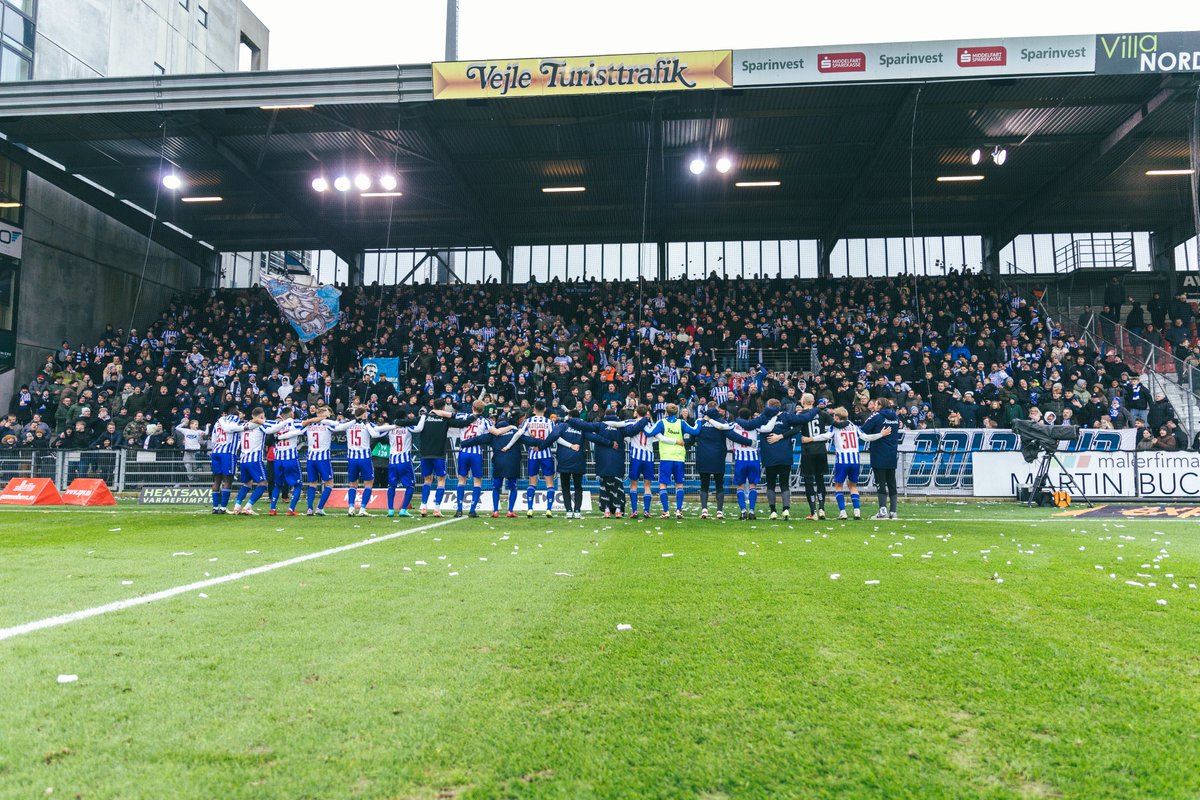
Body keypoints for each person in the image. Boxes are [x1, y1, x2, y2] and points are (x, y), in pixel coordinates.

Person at [800, 406, 892, 521]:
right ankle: (857, 511)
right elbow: (866, 437)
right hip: (855, 461)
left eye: (834, 417)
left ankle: (843, 512)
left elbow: (826, 436)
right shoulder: (854, 426)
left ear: (837, 418)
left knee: (838, 486)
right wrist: (881, 434)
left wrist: (811, 439)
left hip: (842, 461)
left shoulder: (835, 427)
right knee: (853, 486)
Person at [640, 402, 701, 519]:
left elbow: (648, 433)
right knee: (679, 484)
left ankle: (666, 511)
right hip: (679, 457)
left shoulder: (661, 422)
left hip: (666, 457)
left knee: (663, 484)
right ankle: (678, 510)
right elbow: (695, 431)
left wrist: (642, 421)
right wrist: (698, 421)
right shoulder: (681, 422)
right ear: (676, 412)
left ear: (666, 412)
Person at [689, 407, 750, 520]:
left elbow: (692, 438)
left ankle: (704, 510)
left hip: (703, 457)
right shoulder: (722, 423)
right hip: (718, 457)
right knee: (719, 485)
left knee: (704, 485)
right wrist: (749, 442)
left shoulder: (700, 422)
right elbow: (732, 436)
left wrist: (684, 443)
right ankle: (719, 511)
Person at [415, 399, 472, 517]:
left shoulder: (424, 417)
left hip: (425, 454)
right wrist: (473, 417)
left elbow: (409, 421)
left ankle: (423, 506)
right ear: (444, 408)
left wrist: (397, 421)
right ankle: (436, 508)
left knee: (427, 480)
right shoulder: (445, 419)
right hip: (438, 454)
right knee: (441, 480)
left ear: (433, 405)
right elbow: (461, 423)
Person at [457, 413, 520, 518]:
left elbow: (478, 439)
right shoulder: (514, 432)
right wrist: (540, 444)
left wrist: (464, 444)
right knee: (513, 487)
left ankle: (495, 511)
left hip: (498, 463)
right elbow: (528, 440)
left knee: (496, 487)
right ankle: (510, 511)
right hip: (512, 464)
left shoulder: (493, 435)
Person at [503, 399, 558, 518]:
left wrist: (508, 446)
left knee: (532, 482)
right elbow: (553, 437)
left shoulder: (528, 421)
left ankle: (530, 509)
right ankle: (548, 509)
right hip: (546, 454)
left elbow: (518, 434)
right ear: (545, 409)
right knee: (550, 483)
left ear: (533, 410)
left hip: (532, 454)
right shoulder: (549, 422)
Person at [571, 409, 630, 519]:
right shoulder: (621, 427)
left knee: (604, 486)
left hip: (603, 460)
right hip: (618, 461)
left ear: (605, 415)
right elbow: (634, 429)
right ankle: (618, 510)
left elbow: (585, 429)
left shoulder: (599, 425)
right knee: (618, 486)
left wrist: (570, 419)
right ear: (615, 416)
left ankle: (606, 510)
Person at [860, 397, 900, 519]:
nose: (874, 406)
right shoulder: (895, 417)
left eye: (876, 404)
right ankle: (893, 511)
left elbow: (863, 429)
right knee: (892, 482)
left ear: (880, 405)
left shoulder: (877, 416)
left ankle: (882, 511)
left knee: (880, 482)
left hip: (879, 452)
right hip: (892, 453)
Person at [262, 407, 304, 516]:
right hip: (290, 458)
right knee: (298, 485)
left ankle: (272, 509)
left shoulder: (276, 426)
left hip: (278, 459)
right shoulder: (294, 423)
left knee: (277, 484)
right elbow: (306, 423)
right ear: (291, 415)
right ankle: (291, 509)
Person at [454, 400, 491, 518]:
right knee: (477, 481)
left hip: (463, 452)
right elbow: (494, 432)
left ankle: (459, 509)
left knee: (461, 480)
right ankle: (472, 510)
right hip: (476, 453)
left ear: (472, 408)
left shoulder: (463, 416)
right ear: (483, 410)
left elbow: (450, 415)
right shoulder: (485, 421)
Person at [228, 407, 267, 516]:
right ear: (261, 416)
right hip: (254, 460)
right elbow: (271, 430)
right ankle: (247, 507)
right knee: (262, 484)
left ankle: (236, 507)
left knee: (247, 484)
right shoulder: (260, 426)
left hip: (243, 460)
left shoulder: (242, 426)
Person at [209, 402, 242, 514]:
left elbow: (213, 440)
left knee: (217, 479)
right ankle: (223, 507)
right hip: (227, 452)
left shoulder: (218, 422)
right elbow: (232, 428)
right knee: (228, 480)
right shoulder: (234, 418)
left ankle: (214, 507)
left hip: (216, 451)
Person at [174, 418, 206, 483]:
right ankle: (191, 479)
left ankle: (197, 480)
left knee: (195, 467)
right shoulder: (186, 430)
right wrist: (184, 423)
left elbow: (205, 433)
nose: (197, 426)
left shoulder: (198, 431)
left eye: (197, 424)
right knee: (187, 465)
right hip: (187, 452)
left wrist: (206, 429)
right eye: (195, 424)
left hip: (196, 451)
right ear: (191, 425)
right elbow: (177, 428)